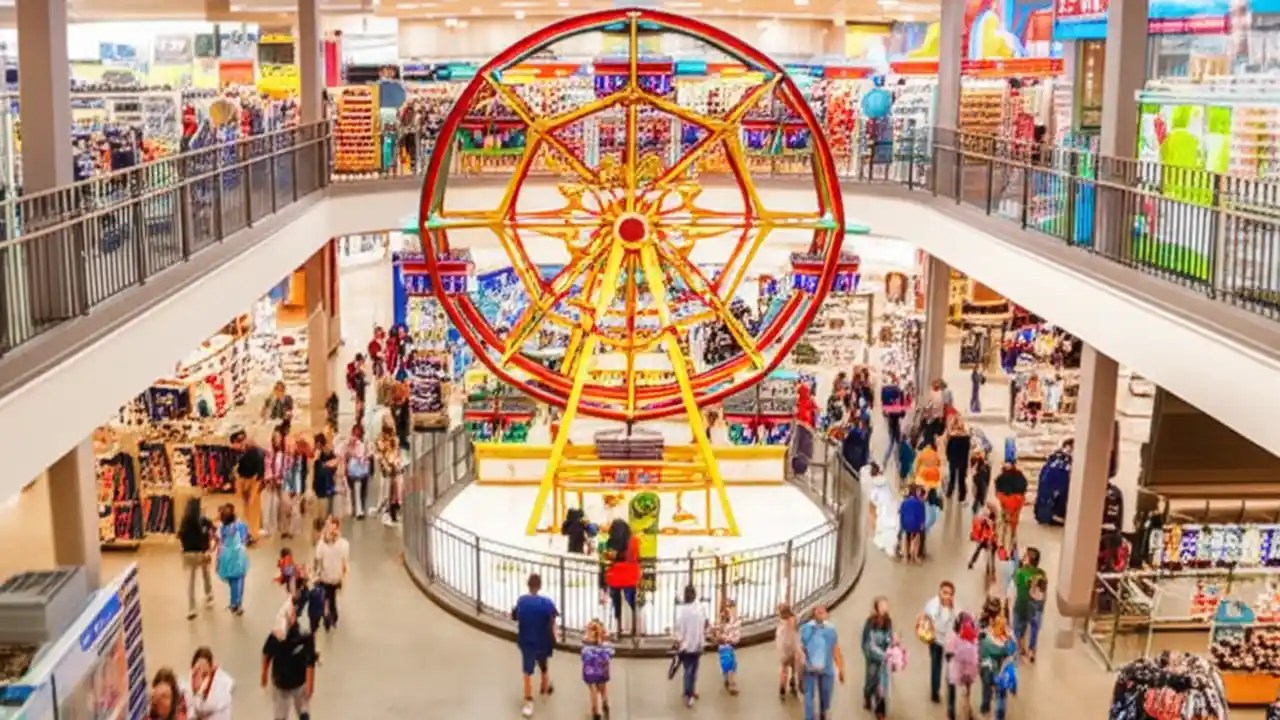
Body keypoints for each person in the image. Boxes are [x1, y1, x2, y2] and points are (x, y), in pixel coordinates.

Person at [512, 573, 559, 717]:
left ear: (528, 585)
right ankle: (545, 686)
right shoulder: (547, 603)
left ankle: (529, 702)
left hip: (527, 640)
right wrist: (554, 637)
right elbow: (552, 621)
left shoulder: (521, 601)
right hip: (543, 640)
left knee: (527, 672)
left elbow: (515, 616)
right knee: (543, 663)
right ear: (540, 586)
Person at [261, 602, 317, 720]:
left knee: (304, 712)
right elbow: (266, 654)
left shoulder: (305, 636)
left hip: (300, 683)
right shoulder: (276, 636)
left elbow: (310, 662)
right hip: (281, 684)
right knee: (280, 716)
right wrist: (264, 676)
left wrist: (310, 686)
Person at [800, 604, 845, 720]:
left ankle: (812, 716)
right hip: (825, 668)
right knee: (823, 697)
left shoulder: (805, 629)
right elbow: (835, 650)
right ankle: (823, 714)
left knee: (810, 697)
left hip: (810, 668)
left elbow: (800, 650)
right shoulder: (830, 630)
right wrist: (840, 668)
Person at [177, 498, 215, 620]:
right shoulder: (203, 521)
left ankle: (191, 608)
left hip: (188, 554)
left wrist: (183, 549)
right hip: (201, 553)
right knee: (206, 574)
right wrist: (207, 550)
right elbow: (209, 534)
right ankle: (209, 594)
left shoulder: (185, 522)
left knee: (191, 582)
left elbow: (180, 536)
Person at [922, 581, 959, 704]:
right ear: (940, 592)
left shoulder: (955, 608)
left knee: (951, 668)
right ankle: (935, 692)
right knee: (936, 665)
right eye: (944, 593)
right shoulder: (933, 605)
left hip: (949, 642)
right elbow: (927, 618)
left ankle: (950, 695)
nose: (947, 596)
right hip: (936, 640)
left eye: (950, 594)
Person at [603, 519, 641, 637]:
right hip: (630, 575)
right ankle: (635, 628)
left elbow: (609, 557)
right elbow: (637, 556)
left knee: (616, 602)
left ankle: (618, 628)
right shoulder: (634, 540)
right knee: (632, 602)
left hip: (615, 576)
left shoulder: (612, 541)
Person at [1011, 546, 1047, 662]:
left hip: (1022, 605)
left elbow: (1015, 580)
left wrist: (1019, 564)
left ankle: (1019, 648)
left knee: (1018, 627)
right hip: (1037, 607)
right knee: (1034, 629)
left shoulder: (1021, 573)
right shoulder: (1042, 574)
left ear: (1028, 559)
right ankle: (1032, 650)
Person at [674, 584, 707, 708]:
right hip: (697, 644)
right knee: (694, 670)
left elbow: (679, 629)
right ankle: (690, 691)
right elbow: (703, 626)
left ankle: (688, 693)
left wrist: (678, 641)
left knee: (688, 670)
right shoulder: (699, 608)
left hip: (686, 645)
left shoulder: (683, 611)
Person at [979, 613, 1017, 720]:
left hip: (992, 671)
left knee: (991, 692)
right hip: (998, 672)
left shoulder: (988, 640)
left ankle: (987, 711)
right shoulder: (1007, 641)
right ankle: (997, 714)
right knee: (1000, 695)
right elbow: (1012, 656)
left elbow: (983, 656)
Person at [314, 517, 349, 631]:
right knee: (326, 598)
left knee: (331, 598)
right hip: (325, 577)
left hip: (335, 577)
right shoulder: (321, 544)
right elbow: (318, 560)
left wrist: (342, 579)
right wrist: (317, 574)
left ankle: (331, 617)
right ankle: (328, 619)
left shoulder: (343, 544)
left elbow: (344, 563)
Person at [861, 597, 893, 719]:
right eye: (882, 606)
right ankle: (867, 695)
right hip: (873, 658)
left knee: (882, 684)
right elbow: (868, 643)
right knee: (871, 680)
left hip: (883, 658)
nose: (884, 608)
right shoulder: (870, 623)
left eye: (886, 605)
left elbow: (889, 637)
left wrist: (891, 644)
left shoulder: (888, 622)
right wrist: (878, 654)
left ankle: (880, 710)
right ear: (876, 608)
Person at [230, 430, 265, 539]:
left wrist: (255, 485)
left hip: (252, 482)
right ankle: (247, 532)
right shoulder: (241, 454)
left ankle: (251, 533)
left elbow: (258, 472)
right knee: (246, 508)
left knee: (251, 507)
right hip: (246, 482)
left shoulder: (254, 452)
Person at [945, 613, 980, 720]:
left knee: (950, 683)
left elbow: (948, 655)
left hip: (957, 671)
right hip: (970, 671)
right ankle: (968, 710)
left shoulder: (954, 638)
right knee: (967, 691)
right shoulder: (973, 638)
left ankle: (951, 712)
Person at [215, 504, 249, 615]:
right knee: (240, 579)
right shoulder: (240, 525)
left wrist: (218, 560)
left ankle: (233, 602)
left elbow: (220, 543)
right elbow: (245, 538)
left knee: (232, 580)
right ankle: (237, 603)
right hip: (238, 555)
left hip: (226, 555)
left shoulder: (221, 528)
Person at [184, 647, 234, 720]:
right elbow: (190, 713)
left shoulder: (223, 683)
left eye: (204, 674)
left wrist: (199, 692)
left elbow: (203, 708)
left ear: (211, 669)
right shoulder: (189, 683)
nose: (200, 677)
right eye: (197, 671)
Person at [580, 619, 613, 720]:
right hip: (602, 669)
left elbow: (583, 656)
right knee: (602, 687)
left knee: (593, 689)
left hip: (589, 671)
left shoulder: (586, 646)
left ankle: (595, 711)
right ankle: (604, 701)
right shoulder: (606, 645)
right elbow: (610, 654)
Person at [994, 462, 1029, 548]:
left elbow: (998, 488)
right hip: (1017, 499)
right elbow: (1024, 486)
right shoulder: (1020, 476)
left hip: (1006, 499)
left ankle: (1002, 540)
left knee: (1004, 518)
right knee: (1014, 519)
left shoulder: (1001, 477)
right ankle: (1012, 538)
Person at [342, 425, 373, 519]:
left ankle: (359, 509)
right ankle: (358, 510)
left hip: (361, 469)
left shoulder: (365, 442)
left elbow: (370, 453)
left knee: (361, 490)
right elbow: (345, 454)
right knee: (356, 489)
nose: (356, 435)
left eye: (358, 433)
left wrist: (365, 457)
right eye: (355, 432)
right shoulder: (350, 442)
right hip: (354, 470)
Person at [376, 426, 404, 525]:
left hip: (395, 473)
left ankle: (393, 515)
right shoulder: (383, 447)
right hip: (388, 474)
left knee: (394, 495)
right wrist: (388, 465)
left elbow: (398, 458)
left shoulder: (394, 447)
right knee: (388, 495)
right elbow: (382, 460)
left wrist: (397, 463)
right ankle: (387, 515)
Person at [775, 602, 804, 699]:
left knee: (784, 668)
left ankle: (782, 688)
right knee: (794, 666)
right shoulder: (794, 620)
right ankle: (793, 681)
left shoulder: (781, 623)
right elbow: (796, 628)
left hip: (784, 648)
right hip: (794, 647)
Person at [714, 597, 742, 695]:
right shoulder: (726, 620)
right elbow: (719, 631)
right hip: (726, 645)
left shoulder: (732, 619)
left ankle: (727, 680)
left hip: (728, 645)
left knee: (731, 665)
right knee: (730, 665)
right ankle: (731, 685)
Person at [944, 414, 972, 504]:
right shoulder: (966, 438)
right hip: (962, 461)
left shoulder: (952, 437)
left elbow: (947, 450)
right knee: (961, 480)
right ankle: (961, 497)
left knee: (952, 478)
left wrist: (949, 458)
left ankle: (949, 493)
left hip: (953, 460)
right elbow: (968, 451)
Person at [880, 374, 907, 463]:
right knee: (893, 442)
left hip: (892, 420)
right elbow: (902, 413)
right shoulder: (898, 394)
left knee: (894, 442)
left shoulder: (889, 393)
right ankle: (891, 460)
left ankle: (888, 460)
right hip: (894, 422)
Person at [311, 434, 339, 518]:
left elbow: (334, 464)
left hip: (325, 483)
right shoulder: (318, 453)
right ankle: (324, 521)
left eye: (317, 443)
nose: (316, 445)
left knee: (326, 508)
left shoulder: (327, 452)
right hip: (322, 484)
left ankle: (325, 522)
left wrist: (325, 464)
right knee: (324, 506)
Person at [968, 505, 998, 577]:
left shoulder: (990, 521)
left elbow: (989, 529)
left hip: (988, 539)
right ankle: (991, 567)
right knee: (990, 554)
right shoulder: (987, 520)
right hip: (988, 539)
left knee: (981, 551)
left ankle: (973, 562)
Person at [899, 486, 926, 563]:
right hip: (915, 525)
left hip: (906, 524)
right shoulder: (920, 503)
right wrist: (921, 526)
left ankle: (905, 557)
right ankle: (915, 556)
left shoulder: (904, 502)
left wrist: (902, 524)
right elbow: (922, 516)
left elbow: (901, 514)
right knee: (917, 538)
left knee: (906, 538)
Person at [914, 439, 943, 507]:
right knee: (932, 489)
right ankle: (936, 501)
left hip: (924, 474)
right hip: (934, 475)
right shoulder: (935, 453)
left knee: (923, 487)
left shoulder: (922, 453)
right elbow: (939, 463)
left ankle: (924, 501)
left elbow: (917, 465)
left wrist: (916, 473)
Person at [347, 352, 369, 426]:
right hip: (354, 386)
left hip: (360, 385)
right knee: (358, 401)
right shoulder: (350, 366)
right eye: (360, 361)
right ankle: (358, 417)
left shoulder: (361, 365)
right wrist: (357, 370)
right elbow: (350, 376)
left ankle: (360, 415)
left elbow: (364, 375)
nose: (361, 362)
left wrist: (361, 371)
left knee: (361, 401)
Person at [970, 450, 992, 515]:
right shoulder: (977, 462)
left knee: (979, 495)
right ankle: (979, 507)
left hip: (980, 481)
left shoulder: (986, 466)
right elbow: (974, 471)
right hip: (980, 482)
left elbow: (988, 475)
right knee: (980, 495)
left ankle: (976, 508)